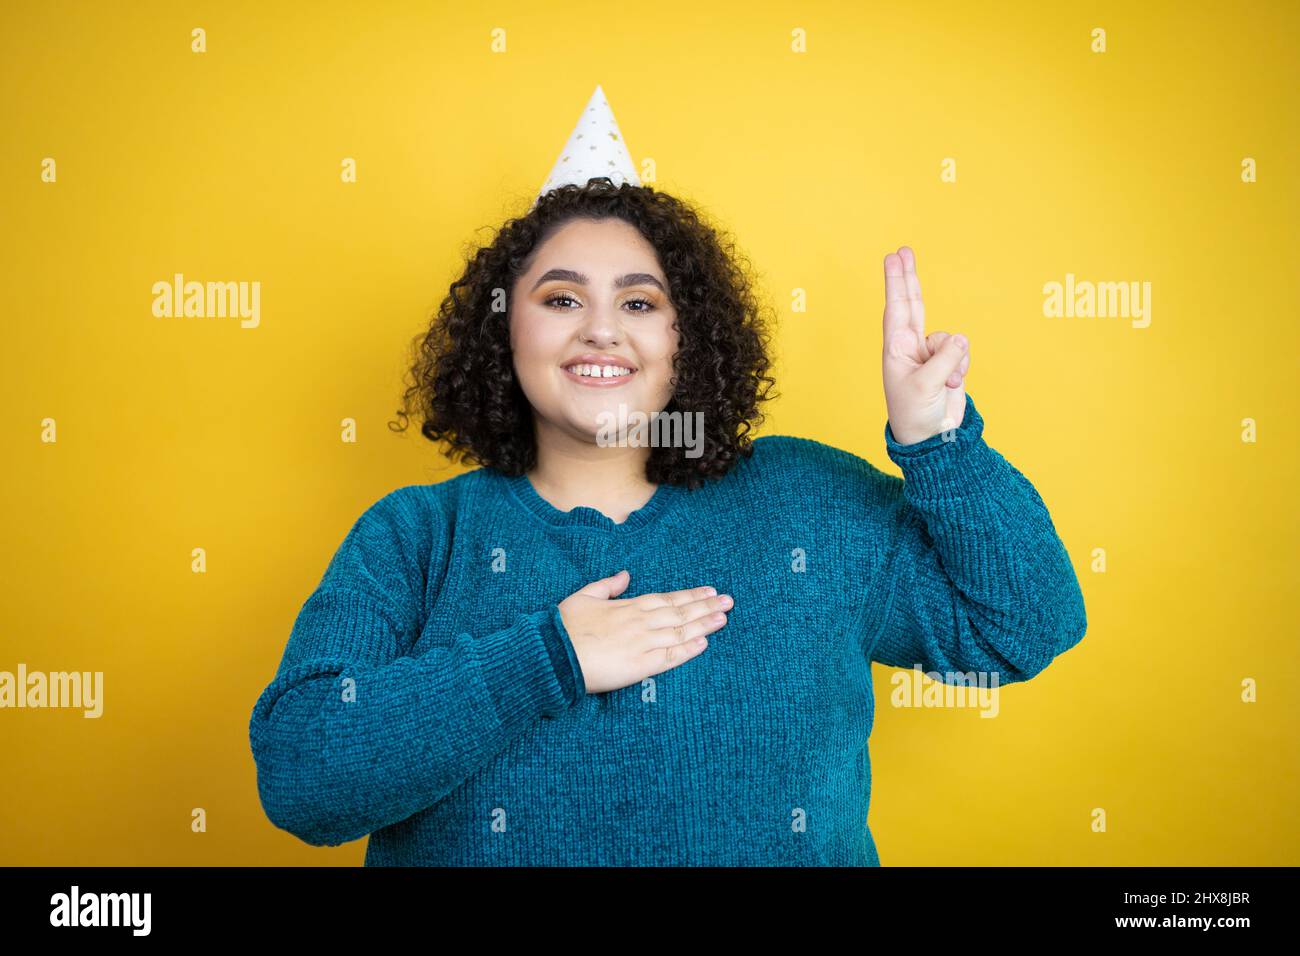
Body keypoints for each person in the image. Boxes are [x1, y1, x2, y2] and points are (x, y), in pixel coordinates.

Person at [248, 177, 1087, 865]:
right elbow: (304, 778)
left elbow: (1023, 626)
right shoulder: (417, 536)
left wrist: (938, 442)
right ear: (505, 331)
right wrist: (552, 658)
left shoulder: (808, 500)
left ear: (690, 338)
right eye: (561, 298)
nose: (603, 328)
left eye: (641, 303)